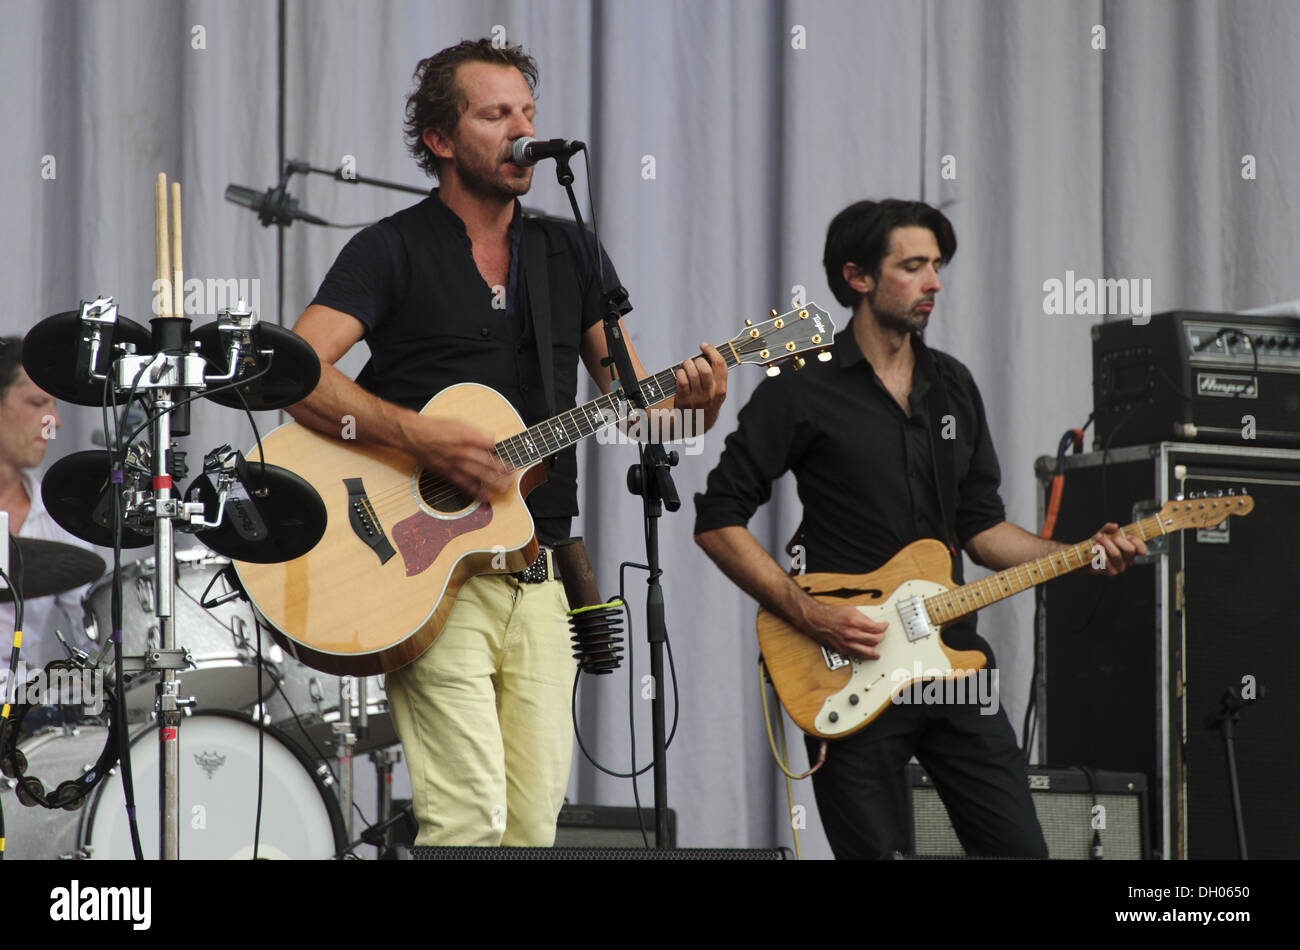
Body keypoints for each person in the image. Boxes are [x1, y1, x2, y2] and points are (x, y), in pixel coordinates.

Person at [287, 39, 727, 847]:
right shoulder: (390, 248)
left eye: (528, 112)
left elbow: (634, 409)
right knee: (467, 821)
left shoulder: (570, 251)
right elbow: (296, 369)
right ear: (442, 140)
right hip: (426, 570)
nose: (523, 130)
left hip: (544, 567)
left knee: (529, 827)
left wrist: (694, 407)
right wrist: (422, 437)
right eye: (496, 115)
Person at [693, 199, 1143, 859]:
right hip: (849, 667)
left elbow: (981, 528)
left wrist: (1079, 554)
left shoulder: (952, 386)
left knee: (1023, 851)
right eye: (913, 266)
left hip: (955, 667)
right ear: (858, 277)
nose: (934, 281)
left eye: (937, 265)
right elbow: (717, 518)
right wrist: (810, 614)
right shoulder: (801, 389)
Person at [0, 336, 100, 730]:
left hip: (25, 717)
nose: (54, 421)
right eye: (38, 403)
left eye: (55, 406)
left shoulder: (57, 514)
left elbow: (93, 635)